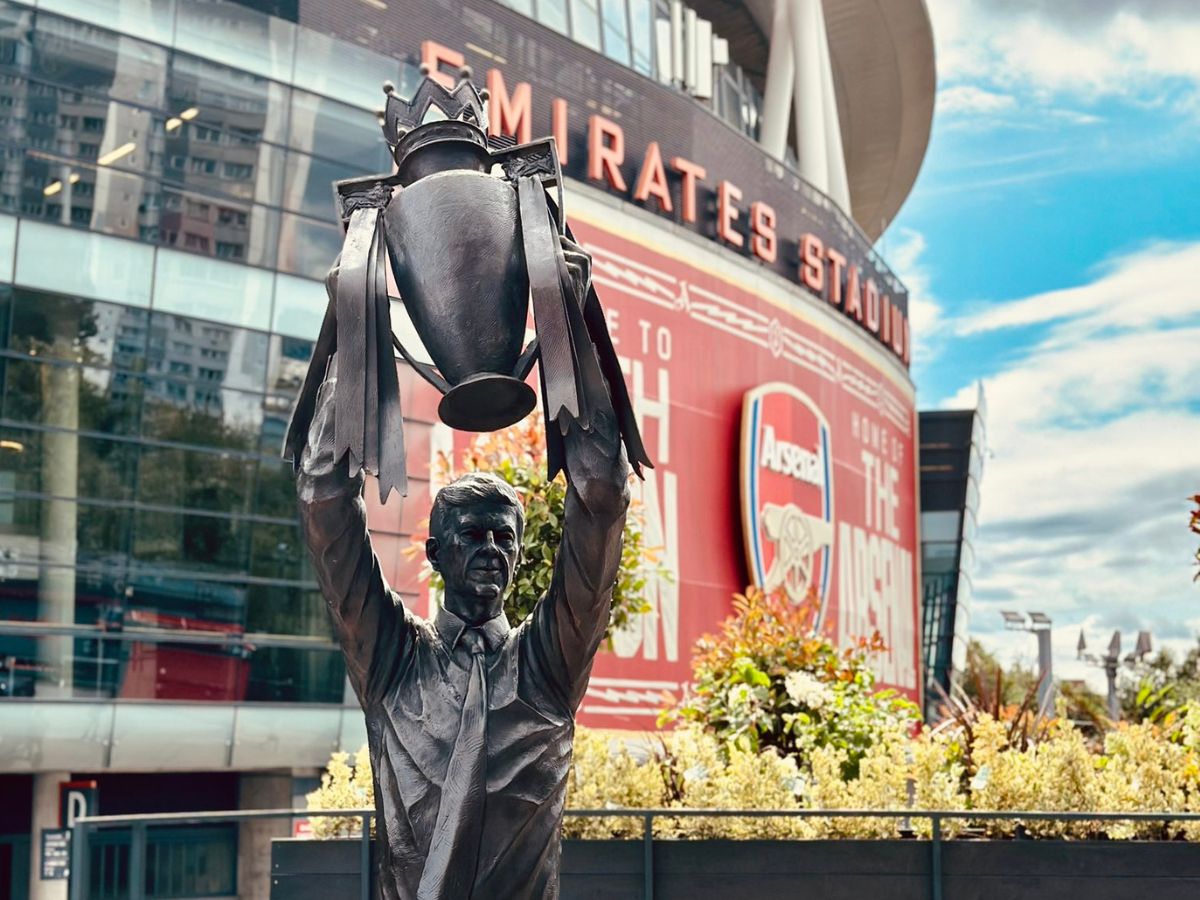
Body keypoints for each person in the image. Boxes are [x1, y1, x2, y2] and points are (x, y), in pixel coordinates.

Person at [296, 242, 630, 900]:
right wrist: (354, 328)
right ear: (436, 552)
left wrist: (568, 322)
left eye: (504, 537)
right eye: (471, 535)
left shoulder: (546, 666)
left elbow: (600, 497)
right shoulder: (392, 659)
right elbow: (323, 499)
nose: (491, 549)